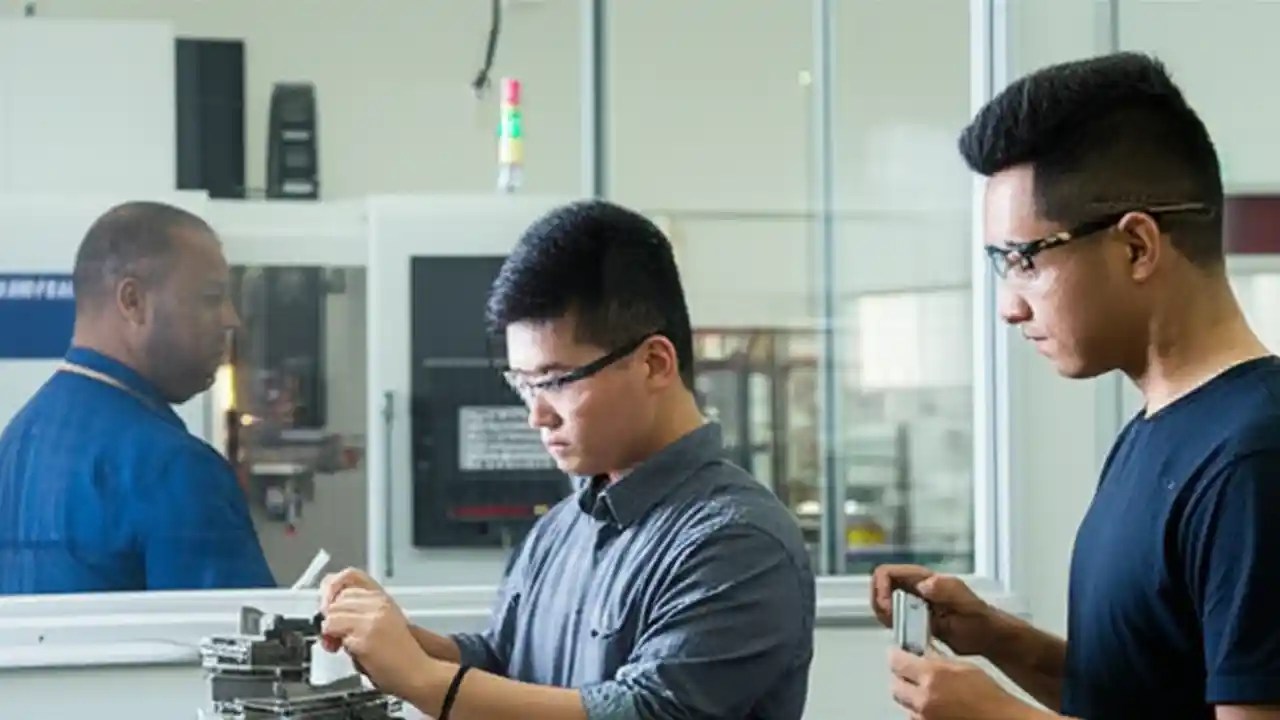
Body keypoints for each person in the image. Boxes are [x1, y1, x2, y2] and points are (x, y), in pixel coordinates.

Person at [876, 51, 1280, 720]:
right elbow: (1140, 695)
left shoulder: (1251, 462)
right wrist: (1003, 642)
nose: (1010, 305)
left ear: (1136, 247)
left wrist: (1001, 717)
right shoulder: (1153, 435)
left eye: (1023, 260)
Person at [319, 199, 816, 720]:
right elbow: (507, 665)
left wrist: (423, 681)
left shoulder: (738, 543)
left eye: (555, 381)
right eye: (523, 383)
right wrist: (402, 642)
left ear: (653, 363)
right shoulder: (563, 527)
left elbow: (643, 712)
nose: (537, 415)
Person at [0, 201, 275, 593]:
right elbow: (244, 645)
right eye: (211, 297)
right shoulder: (174, 470)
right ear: (133, 301)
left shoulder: (15, 445)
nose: (231, 319)